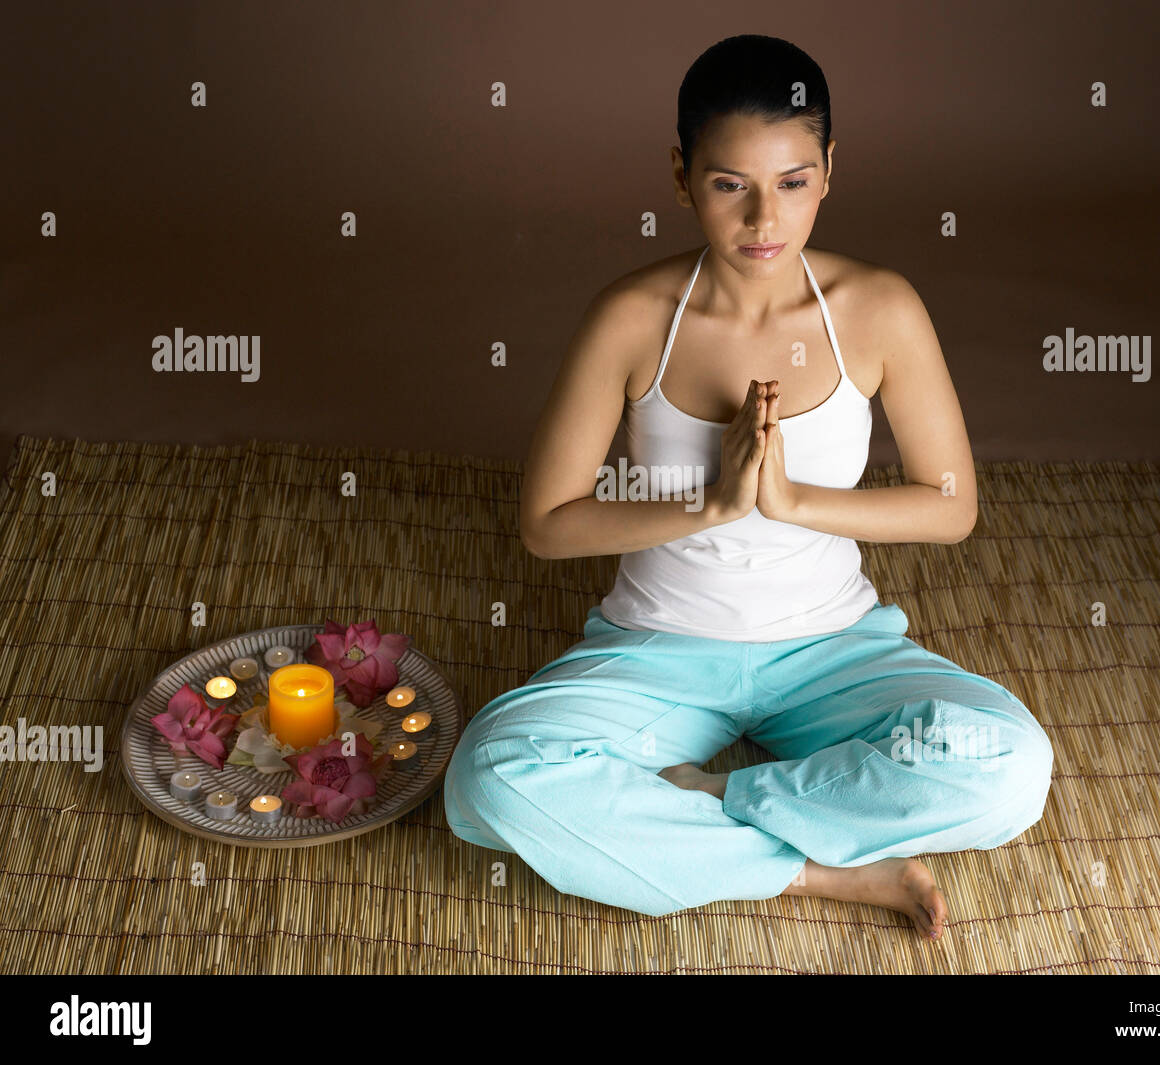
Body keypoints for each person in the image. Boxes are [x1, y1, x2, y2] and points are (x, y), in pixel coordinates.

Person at [443, 34, 1053, 941]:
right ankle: (816, 871)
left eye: (794, 181)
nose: (765, 218)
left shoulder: (879, 307)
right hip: (659, 651)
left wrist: (790, 502)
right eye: (731, 184)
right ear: (682, 175)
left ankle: (713, 799)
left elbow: (951, 502)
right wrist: (713, 504)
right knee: (487, 778)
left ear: (831, 171)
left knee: (1010, 763)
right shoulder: (630, 316)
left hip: (835, 651)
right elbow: (546, 522)